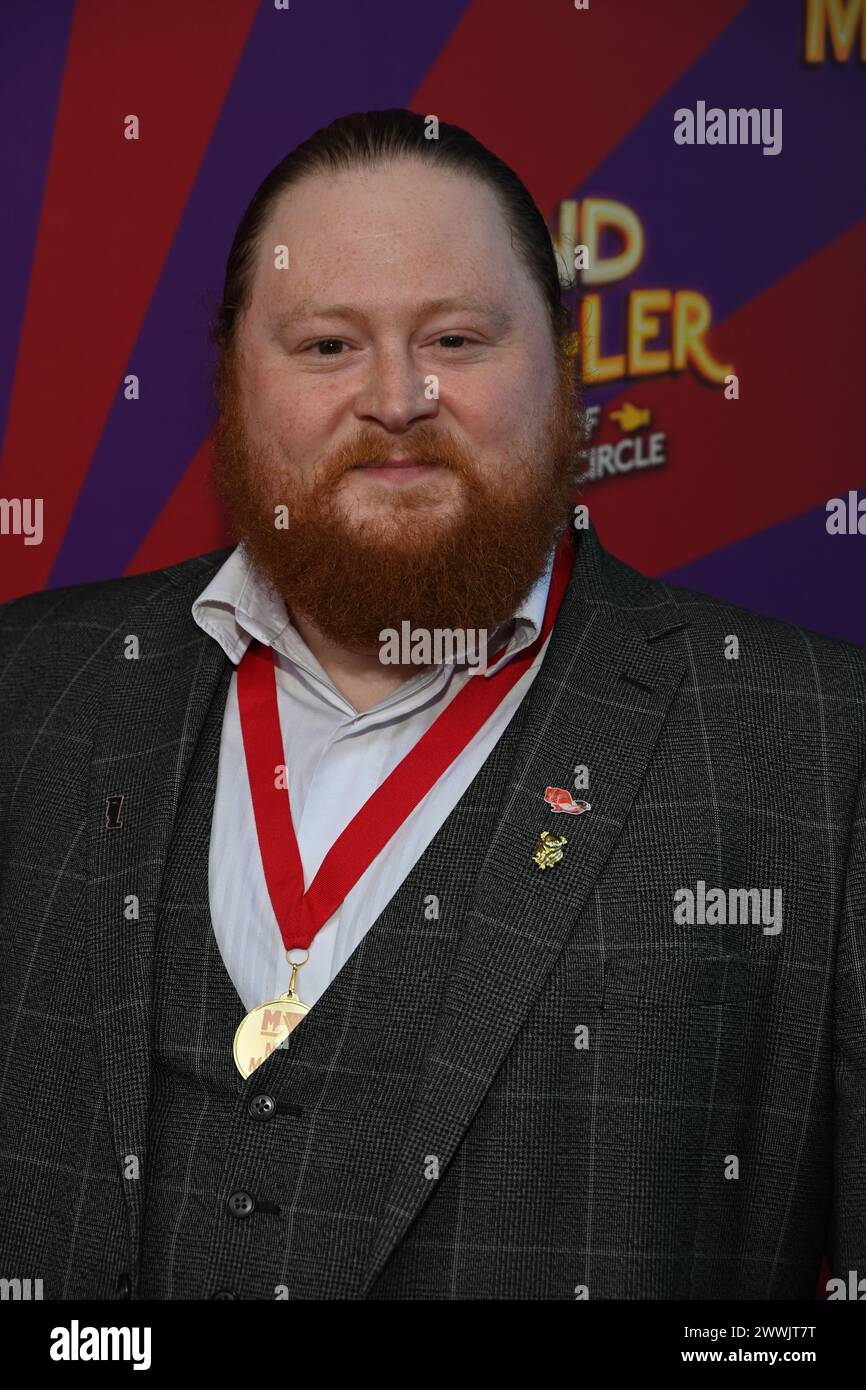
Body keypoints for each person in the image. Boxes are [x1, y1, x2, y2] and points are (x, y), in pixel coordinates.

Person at [0, 110, 863, 1302]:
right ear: (233, 383)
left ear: (564, 368)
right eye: (323, 346)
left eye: (454, 337)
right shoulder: (25, 690)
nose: (397, 397)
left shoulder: (817, 743)